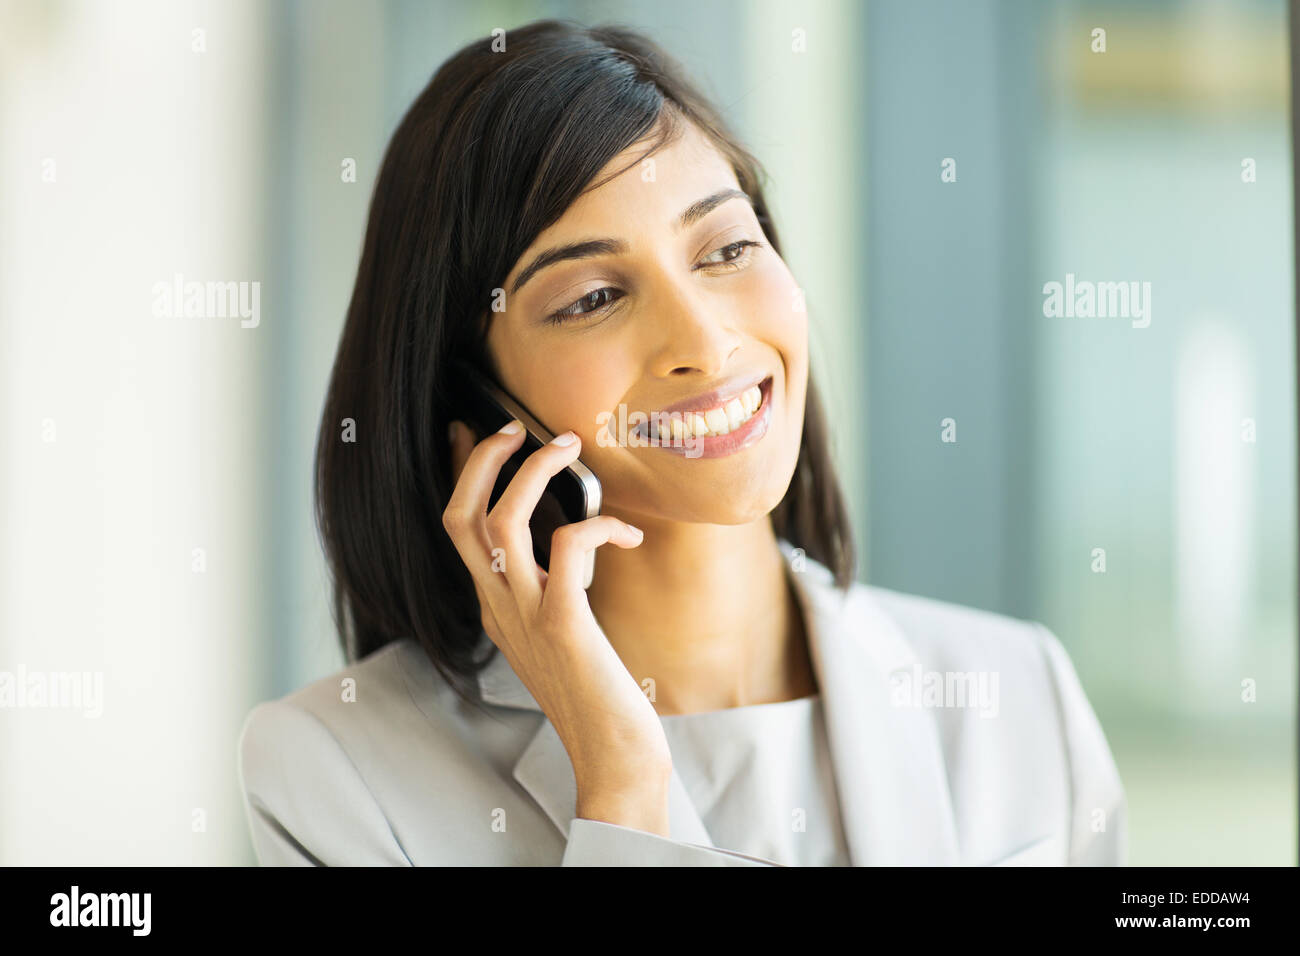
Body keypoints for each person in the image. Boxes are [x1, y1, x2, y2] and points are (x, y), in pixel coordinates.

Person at [237, 18, 1126, 866]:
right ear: (474, 406)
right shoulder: (337, 776)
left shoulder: (1019, 692)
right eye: (592, 299)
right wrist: (621, 787)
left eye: (726, 248)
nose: (703, 344)